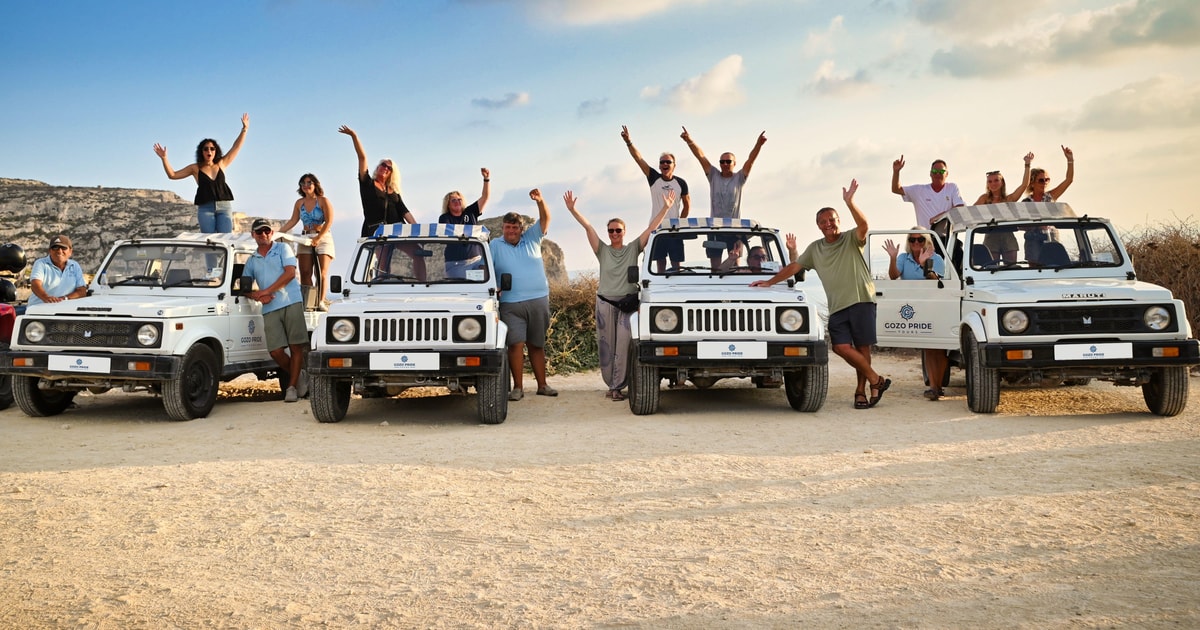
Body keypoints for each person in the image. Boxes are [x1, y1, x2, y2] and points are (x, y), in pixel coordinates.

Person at [751, 180, 890, 409]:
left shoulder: (851, 238)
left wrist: (850, 202)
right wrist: (769, 281)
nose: (828, 224)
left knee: (862, 348)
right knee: (840, 347)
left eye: (832, 220)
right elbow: (794, 267)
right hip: (837, 305)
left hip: (861, 299)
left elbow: (864, 225)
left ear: (839, 221)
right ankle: (876, 380)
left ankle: (861, 391)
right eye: (823, 222)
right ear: (818, 225)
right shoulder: (815, 248)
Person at [562, 189, 675, 401]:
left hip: (628, 304)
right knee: (606, 346)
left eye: (618, 230)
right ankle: (612, 385)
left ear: (624, 231)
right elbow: (588, 227)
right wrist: (573, 210)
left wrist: (666, 208)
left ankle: (617, 386)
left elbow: (651, 228)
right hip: (605, 302)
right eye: (611, 231)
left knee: (623, 346)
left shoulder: (633, 248)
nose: (614, 234)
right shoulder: (602, 250)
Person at [490, 189, 556, 401]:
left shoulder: (532, 238)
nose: (511, 231)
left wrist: (540, 201)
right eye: (507, 227)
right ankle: (517, 388)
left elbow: (545, 219)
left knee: (537, 344)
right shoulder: (494, 245)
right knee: (515, 344)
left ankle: (542, 385)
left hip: (538, 300)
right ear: (503, 228)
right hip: (510, 303)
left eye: (515, 227)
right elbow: (486, 269)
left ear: (521, 229)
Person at [680, 127, 766, 268]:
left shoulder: (739, 178)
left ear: (734, 163)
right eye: (722, 162)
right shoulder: (713, 175)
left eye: (728, 161)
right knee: (715, 268)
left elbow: (750, 160)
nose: (725, 164)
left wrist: (758, 144)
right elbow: (701, 157)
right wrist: (689, 140)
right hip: (715, 229)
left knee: (735, 265)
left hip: (734, 229)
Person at [243, 219, 308, 403]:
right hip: (270, 307)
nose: (263, 234)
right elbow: (244, 286)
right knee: (275, 351)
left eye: (267, 231)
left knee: (295, 347)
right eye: (259, 232)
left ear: (272, 233)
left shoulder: (283, 248)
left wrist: (266, 291)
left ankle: (292, 387)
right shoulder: (251, 260)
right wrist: (257, 296)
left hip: (291, 301)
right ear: (253, 235)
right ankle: (299, 375)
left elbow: (290, 273)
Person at [153, 113, 249, 233]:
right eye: (206, 149)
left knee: (225, 239)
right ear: (201, 152)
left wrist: (244, 129)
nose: (209, 151)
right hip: (205, 208)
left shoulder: (221, 164)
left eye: (212, 148)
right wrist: (164, 158)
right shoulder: (195, 168)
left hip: (224, 207)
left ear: (215, 151)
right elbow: (172, 175)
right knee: (208, 240)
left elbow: (236, 147)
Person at [883, 231, 949, 400]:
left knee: (939, 349)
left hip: (935, 305)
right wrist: (892, 258)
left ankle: (937, 386)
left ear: (927, 241)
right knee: (928, 347)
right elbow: (893, 276)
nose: (916, 242)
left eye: (920, 239)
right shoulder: (903, 258)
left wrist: (924, 264)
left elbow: (937, 282)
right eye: (912, 239)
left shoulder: (936, 258)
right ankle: (934, 387)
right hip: (916, 307)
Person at [620, 126, 691, 272]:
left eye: (668, 162)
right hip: (657, 229)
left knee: (677, 265)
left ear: (674, 165)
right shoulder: (654, 178)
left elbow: (687, 205)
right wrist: (628, 142)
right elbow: (638, 159)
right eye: (662, 162)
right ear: (659, 165)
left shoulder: (681, 183)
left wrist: (680, 223)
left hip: (674, 230)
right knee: (660, 264)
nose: (665, 164)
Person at [337, 125, 415, 237]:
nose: (385, 168)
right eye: (383, 165)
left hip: (397, 232)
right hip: (377, 233)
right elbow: (362, 158)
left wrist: (417, 229)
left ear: (392, 173)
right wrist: (354, 136)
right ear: (378, 167)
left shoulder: (393, 190)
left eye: (389, 168)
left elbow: (404, 211)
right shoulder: (367, 184)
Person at [279, 173, 336, 311]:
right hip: (305, 238)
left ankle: (320, 301)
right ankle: (309, 301)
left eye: (309, 182)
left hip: (323, 237)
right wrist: (279, 232)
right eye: (303, 183)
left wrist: (318, 237)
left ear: (315, 184)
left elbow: (329, 221)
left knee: (321, 272)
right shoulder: (299, 203)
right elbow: (293, 220)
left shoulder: (323, 201)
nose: (306, 185)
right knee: (305, 272)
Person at [438, 168, 491, 279]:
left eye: (459, 199)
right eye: (453, 200)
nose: (457, 202)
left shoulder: (470, 212)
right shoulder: (445, 218)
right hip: (456, 264)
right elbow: (448, 233)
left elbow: (485, 197)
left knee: (489, 277)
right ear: (448, 204)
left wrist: (486, 179)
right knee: (467, 286)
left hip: (476, 261)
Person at [891, 155, 964, 228]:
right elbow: (896, 189)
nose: (937, 174)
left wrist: (940, 217)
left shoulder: (952, 188)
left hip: (946, 234)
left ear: (946, 174)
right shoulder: (919, 191)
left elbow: (960, 208)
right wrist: (896, 171)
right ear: (930, 174)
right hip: (924, 234)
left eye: (941, 171)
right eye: (934, 171)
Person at [26, 235, 87, 306]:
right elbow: (35, 285)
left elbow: (82, 291)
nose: (59, 251)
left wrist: (64, 299)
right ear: (50, 251)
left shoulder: (75, 265)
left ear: (70, 251)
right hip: (39, 308)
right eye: (55, 247)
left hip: (65, 309)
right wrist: (46, 298)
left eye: (63, 248)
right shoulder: (41, 263)